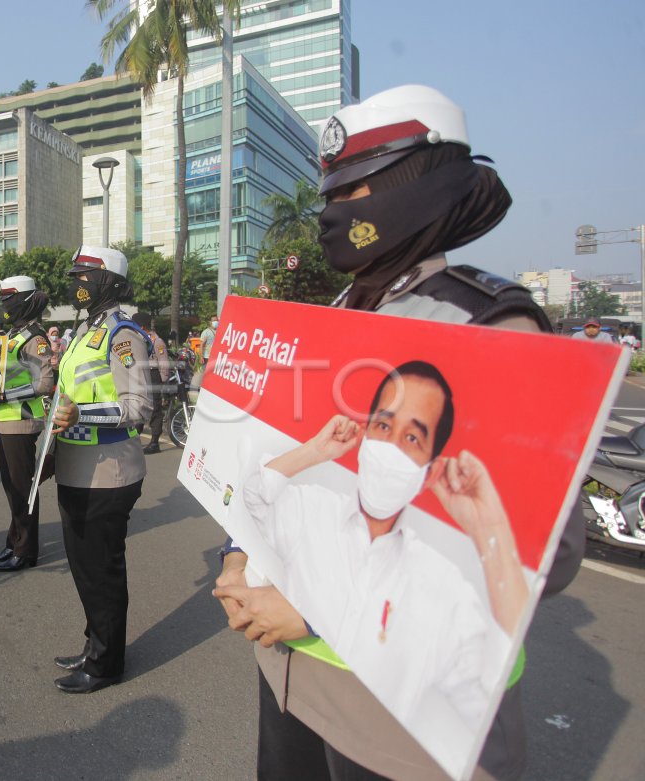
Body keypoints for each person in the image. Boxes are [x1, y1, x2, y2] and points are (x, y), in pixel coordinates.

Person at [213, 85, 582, 781]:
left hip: (406, 722)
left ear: (418, 187)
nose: (331, 213)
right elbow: (279, 460)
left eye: (354, 192)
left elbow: (548, 553)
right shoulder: (335, 315)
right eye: (330, 192)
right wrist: (239, 553)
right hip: (293, 682)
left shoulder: (492, 325)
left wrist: (318, 609)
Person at [239, 361, 526, 766]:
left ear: (428, 470)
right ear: (366, 432)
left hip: (381, 741)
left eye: (412, 438)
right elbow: (253, 497)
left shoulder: (440, 581)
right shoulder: (313, 510)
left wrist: (490, 528)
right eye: (383, 427)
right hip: (294, 689)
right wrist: (317, 451)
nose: (390, 448)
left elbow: (489, 672)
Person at [50, 245, 153, 694]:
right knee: (83, 567)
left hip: (107, 473)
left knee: (101, 569)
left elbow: (139, 407)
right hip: (75, 468)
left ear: (109, 281)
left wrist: (81, 416)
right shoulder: (81, 330)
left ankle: (106, 663)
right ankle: (96, 642)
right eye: (75, 275)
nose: (78, 282)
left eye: (86, 276)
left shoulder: (123, 334)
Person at [0, 276, 55, 573]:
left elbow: (46, 383)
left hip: (21, 420)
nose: (5, 304)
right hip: (4, 419)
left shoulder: (35, 337)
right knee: (11, 488)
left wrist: (6, 394)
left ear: (25, 300)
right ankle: (14, 542)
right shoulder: (15, 334)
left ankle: (26, 550)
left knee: (22, 489)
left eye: (9, 298)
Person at [131, 312, 170, 454]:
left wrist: (162, 381)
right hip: (140, 375)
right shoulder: (136, 339)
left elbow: (164, 363)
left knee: (154, 408)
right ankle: (135, 437)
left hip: (153, 375)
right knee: (139, 405)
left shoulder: (156, 341)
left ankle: (154, 442)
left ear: (142, 326)